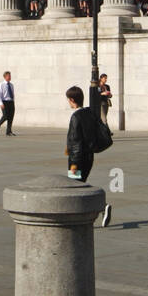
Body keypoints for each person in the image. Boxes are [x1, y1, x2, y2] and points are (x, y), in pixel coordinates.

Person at [65, 85, 109, 220]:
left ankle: (101, 206)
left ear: (72, 100)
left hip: (77, 160)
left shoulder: (76, 117)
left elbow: (76, 141)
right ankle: (99, 207)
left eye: (68, 100)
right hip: (89, 157)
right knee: (80, 185)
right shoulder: (88, 113)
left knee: (74, 187)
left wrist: (73, 165)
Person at [0, 71, 16, 135]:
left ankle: (8, 131)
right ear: (5, 77)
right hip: (4, 102)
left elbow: (12, 94)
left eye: (10, 76)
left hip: (11, 102)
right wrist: (1, 103)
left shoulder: (11, 85)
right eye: (8, 76)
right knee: (5, 116)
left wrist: (13, 101)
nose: (10, 77)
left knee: (11, 116)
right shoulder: (1, 85)